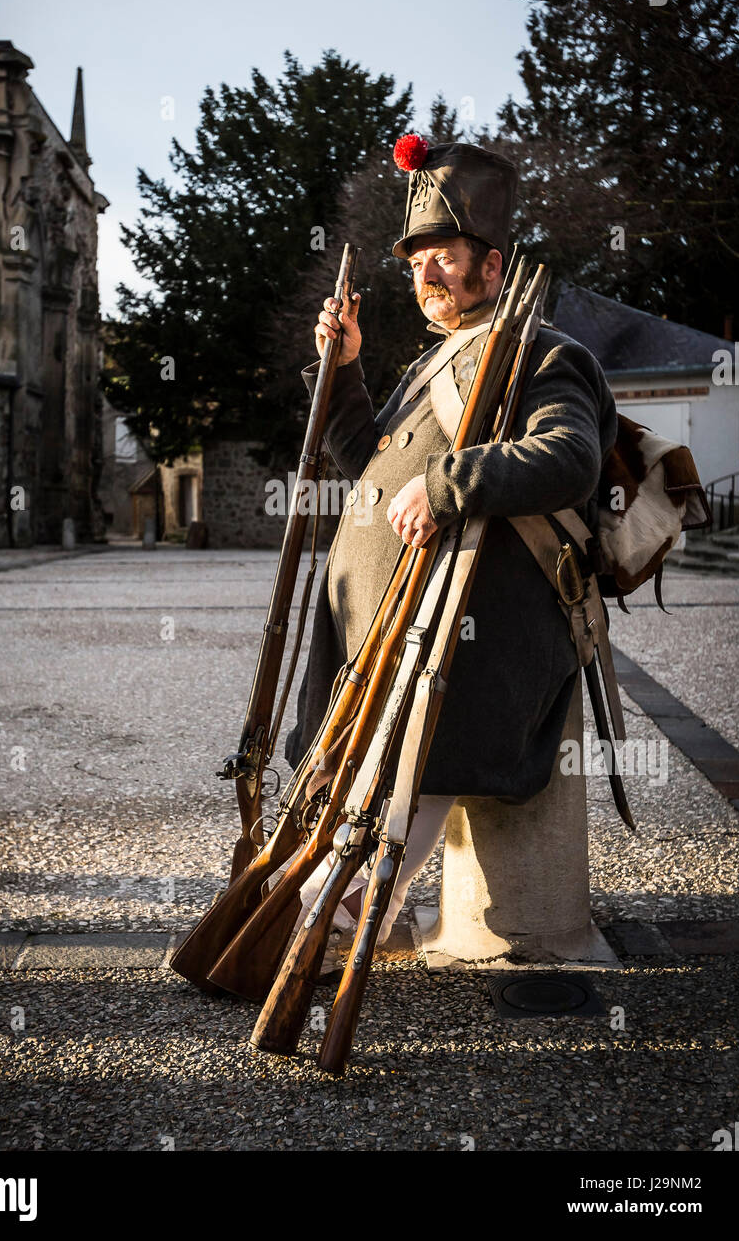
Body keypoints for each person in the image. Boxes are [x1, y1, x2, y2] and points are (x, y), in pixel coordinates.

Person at [285, 137, 617, 940]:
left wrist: (443, 488)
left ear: (493, 268)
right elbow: (369, 461)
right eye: (416, 263)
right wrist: (345, 371)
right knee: (345, 790)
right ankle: (356, 915)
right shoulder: (433, 364)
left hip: (453, 643)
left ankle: (349, 925)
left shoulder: (540, 352)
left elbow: (569, 459)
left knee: (395, 796)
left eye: (443, 257)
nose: (423, 274)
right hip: (381, 632)